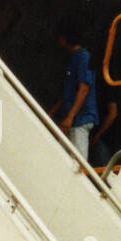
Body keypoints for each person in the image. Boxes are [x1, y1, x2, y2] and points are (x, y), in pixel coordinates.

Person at [47, 21, 98, 159]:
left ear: (64, 38)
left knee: (78, 163)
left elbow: (83, 89)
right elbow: (68, 93)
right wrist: (52, 113)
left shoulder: (83, 56)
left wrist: (70, 117)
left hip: (79, 119)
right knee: (63, 159)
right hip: (71, 120)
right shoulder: (72, 58)